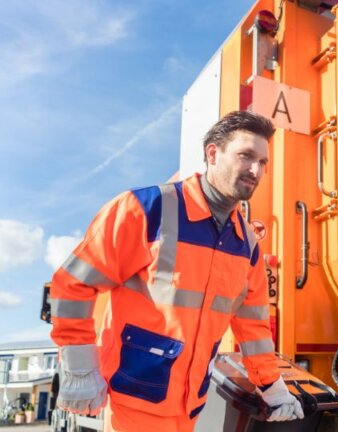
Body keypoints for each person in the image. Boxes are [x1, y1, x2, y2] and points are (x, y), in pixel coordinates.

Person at [49, 111, 303, 431]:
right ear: (213, 153)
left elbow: (253, 329)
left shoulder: (247, 244)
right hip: (135, 400)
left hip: (192, 405)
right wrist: (79, 368)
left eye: (263, 162)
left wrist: (272, 385)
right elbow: (72, 285)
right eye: (245, 156)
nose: (256, 170)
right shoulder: (146, 209)